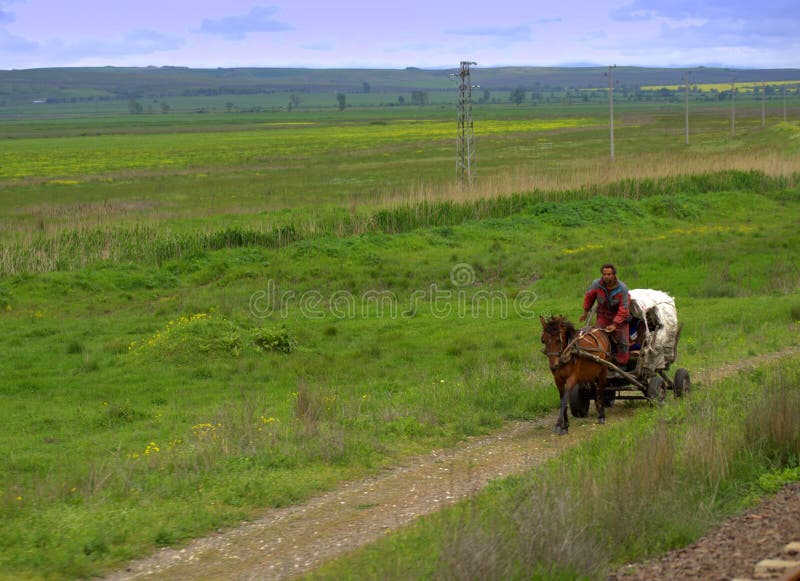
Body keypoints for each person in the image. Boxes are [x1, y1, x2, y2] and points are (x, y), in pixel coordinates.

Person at [579, 263, 630, 366]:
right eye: (604, 274)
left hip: (620, 319)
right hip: (603, 316)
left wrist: (614, 324)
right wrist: (585, 312)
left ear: (614, 274)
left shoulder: (622, 288)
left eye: (609, 274)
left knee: (623, 341)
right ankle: (601, 361)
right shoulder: (596, 284)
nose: (606, 276)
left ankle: (622, 364)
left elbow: (623, 309)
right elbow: (589, 297)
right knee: (597, 336)